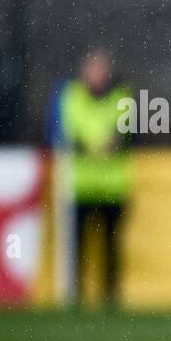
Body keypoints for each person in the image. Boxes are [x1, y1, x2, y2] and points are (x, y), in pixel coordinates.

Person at [54, 49, 132, 306]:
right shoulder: (72, 96)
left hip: (113, 186)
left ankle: (110, 297)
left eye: (100, 69)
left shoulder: (122, 96)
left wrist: (101, 145)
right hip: (81, 185)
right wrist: (99, 146)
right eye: (93, 69)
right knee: (78, 247)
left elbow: (126, 133)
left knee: (111, 246)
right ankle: (74, 297)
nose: (97, 75)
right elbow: (68, 133)